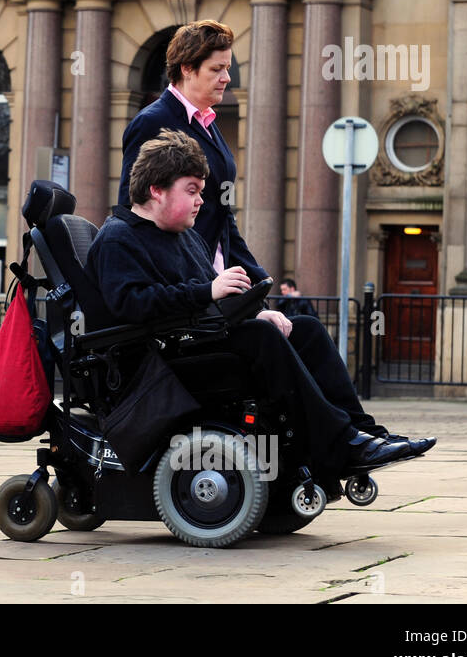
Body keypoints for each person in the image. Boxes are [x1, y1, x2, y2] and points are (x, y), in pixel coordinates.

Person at [88, 130, 435, 478]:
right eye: (191, 190)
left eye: (201, 192)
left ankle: (364, 434)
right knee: (261, 339)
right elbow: (131, 305)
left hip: (189, 345)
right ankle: (339, 443)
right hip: (156, 366)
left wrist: (257, 310)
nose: (200, 201)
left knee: (306, 330)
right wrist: (208, 291)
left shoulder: (183, 235)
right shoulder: (119, 237)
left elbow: (207, 298)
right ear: (156, 190)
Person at [118, 20, 266, 283]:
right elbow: (133, 210)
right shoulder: (151, 122)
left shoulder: (207, 123)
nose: (227, 78)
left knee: (302, 325)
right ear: (187, 68)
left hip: (214, 278)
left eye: (228, 68)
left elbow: (223, 215)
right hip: (181, 285)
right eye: (217, 69)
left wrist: (257, 278)